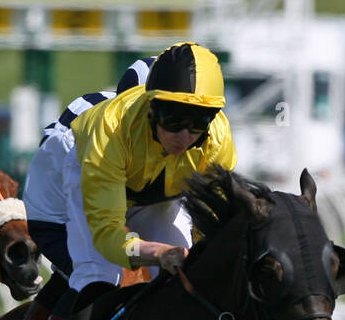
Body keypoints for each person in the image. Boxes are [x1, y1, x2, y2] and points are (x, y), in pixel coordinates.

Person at [63, 41, 236, 306]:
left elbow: (210, 227)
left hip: (155, 198)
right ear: (152, 108)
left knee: (189, 275)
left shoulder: (218, 140)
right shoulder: (111, 129)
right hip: (92, 176)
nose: (184, 137)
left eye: (199, 122)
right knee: (97, 278)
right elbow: (107, 233)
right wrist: (156, 252)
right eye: (174, 119)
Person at [21, 54, 154, 320]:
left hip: (117, 195)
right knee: (97, 274)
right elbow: (102, 229)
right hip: (60, 214)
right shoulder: (95, 136)